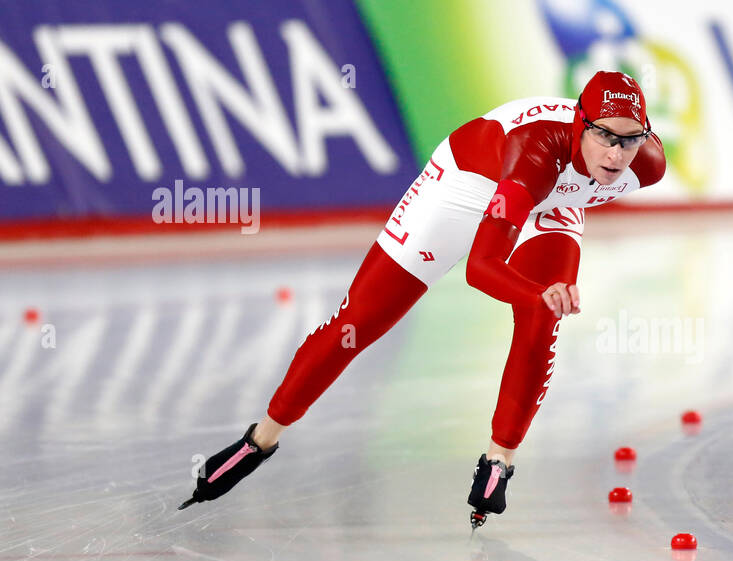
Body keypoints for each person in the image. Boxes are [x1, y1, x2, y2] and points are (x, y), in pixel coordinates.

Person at [179, 71, 666, 528]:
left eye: (631, 139)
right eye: (605, 136)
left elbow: (599, 172)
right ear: (581, 126)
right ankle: (259, 440)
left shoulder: (648, 164)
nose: (618, 154)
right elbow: (480, 270)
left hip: (552, 201)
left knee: (542, 314)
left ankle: (500, 461)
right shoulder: (535, 149)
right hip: (470, 183)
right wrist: (542, 286)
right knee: (360, 322)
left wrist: (544, 295)